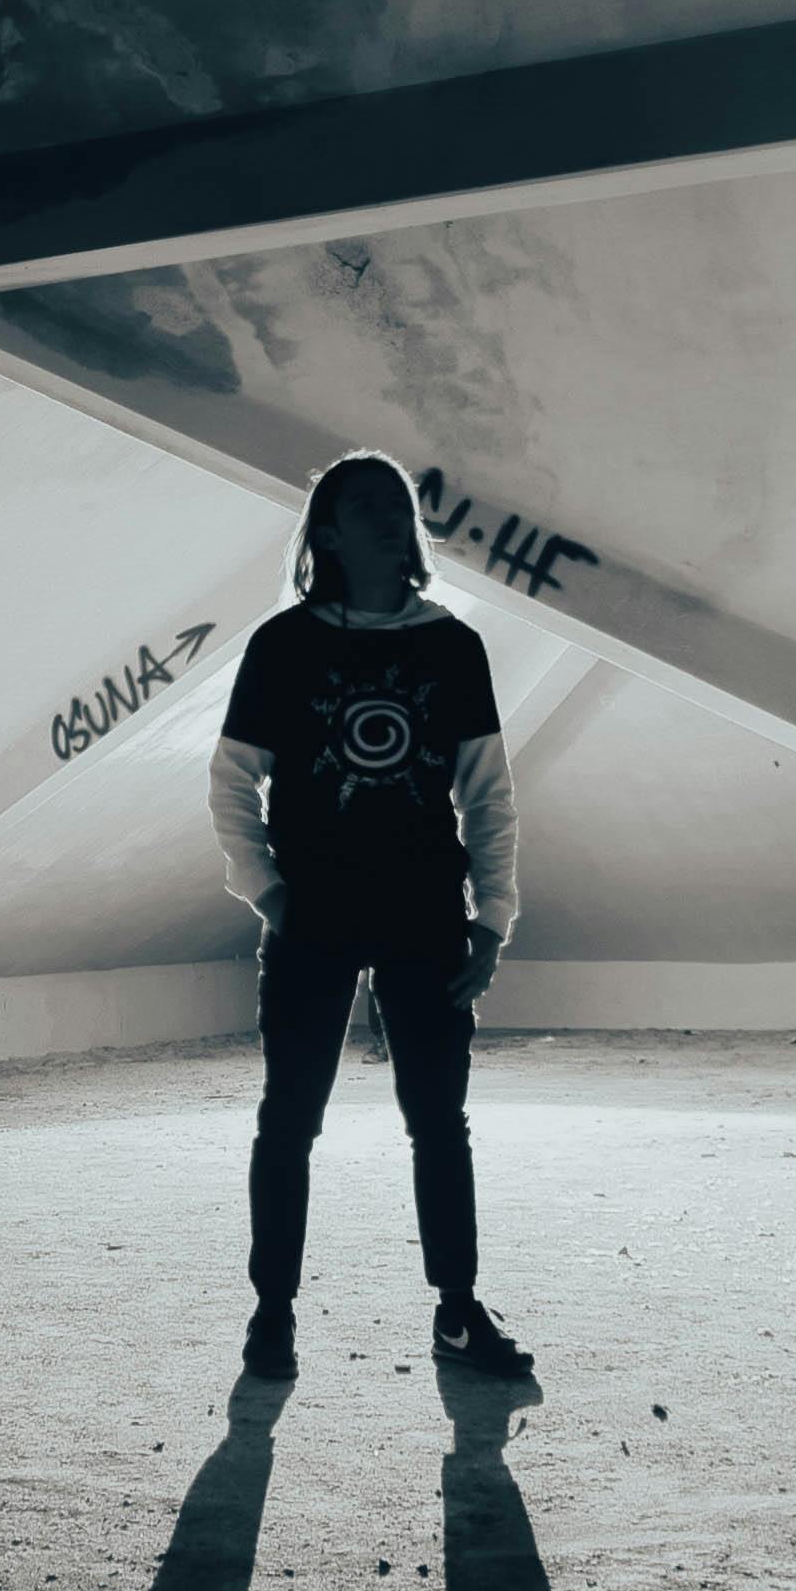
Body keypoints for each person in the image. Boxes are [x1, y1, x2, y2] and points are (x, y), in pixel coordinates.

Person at [208, 448, 537, 1390]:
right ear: (326, 531)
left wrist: (493, 920)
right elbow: (233, 779)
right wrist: (268, 894)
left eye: (398, 504)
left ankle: (458, 1313)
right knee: (288, 1123)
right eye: (366, 506)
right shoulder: (284, 645)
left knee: (441, 1125)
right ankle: (271, 1316)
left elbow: (488, 796)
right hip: (311, 917)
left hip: (428, 913)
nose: (391, 519)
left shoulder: (452, 647)